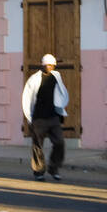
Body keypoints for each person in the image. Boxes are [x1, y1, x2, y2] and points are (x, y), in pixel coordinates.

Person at [21, 53, 68, 181]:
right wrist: (29, 118)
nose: (50, 67)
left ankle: (54, 168)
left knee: (59, 143)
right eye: (47, 65)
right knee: (38, 146)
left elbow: (61, 95)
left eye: (52, 65)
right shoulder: (34, 79)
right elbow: (27, 98)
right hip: (39, 118)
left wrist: (61, 113)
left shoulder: (56, 77)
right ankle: (38, 172)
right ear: (43, 65)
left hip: (53, 117)